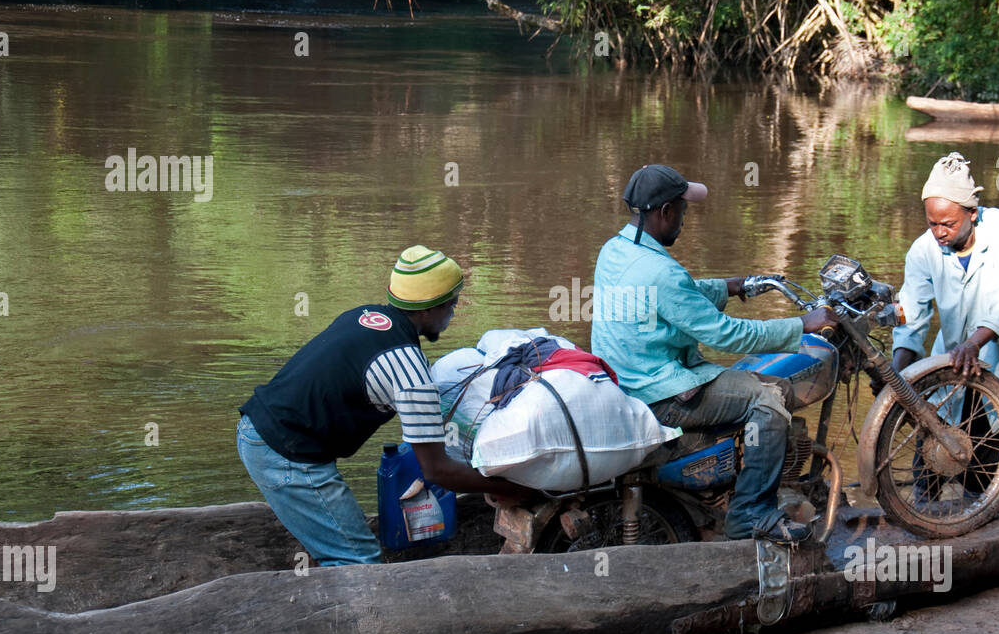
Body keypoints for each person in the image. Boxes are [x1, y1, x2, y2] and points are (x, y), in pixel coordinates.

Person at [591, 164, 839, 544]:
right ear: (665, 212)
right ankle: (751, 514)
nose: (685, 219)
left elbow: (675, 295)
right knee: (770, 397)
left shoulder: (615, 250)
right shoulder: (662, 272)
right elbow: (727, 335)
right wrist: (801, 325)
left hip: (626, 381)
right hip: (660, 393)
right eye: (683, 210)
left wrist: (730, 287)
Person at [236, 245, 529, 566]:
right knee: (360, 562)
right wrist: (514, 488)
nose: (453, 314)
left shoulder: (363, 316)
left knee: (350, 546)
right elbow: (437, 470)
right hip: (284, 454)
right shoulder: (410, 371)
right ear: (428, 309)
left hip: (260, 429)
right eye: (451, 304)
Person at [889, 152, 999, 495]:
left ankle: (981, 503)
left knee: (990, 442)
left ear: (972, 213)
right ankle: (924, 505)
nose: (939, 232)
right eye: (932, 223)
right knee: (933, 436)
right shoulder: (923, 251)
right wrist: (896, 373)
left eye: (948, 224)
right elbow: (911, 316)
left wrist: (974, 343)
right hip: (955, 350)